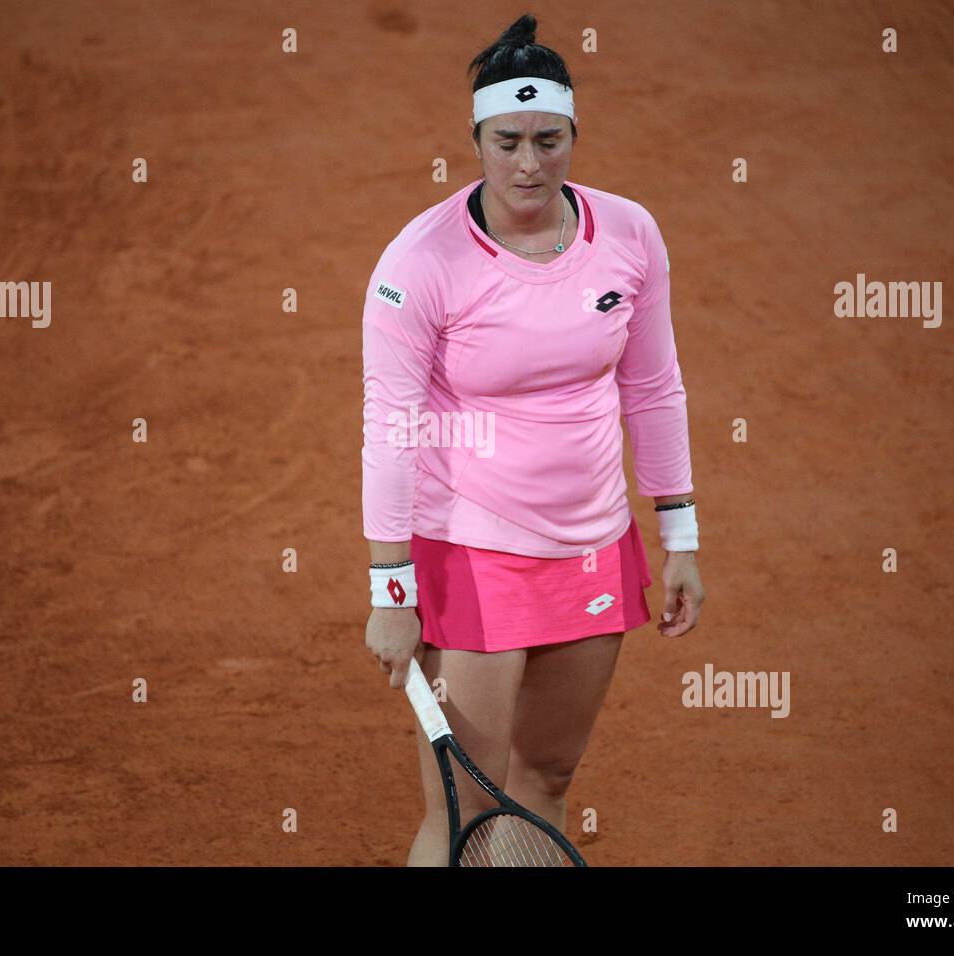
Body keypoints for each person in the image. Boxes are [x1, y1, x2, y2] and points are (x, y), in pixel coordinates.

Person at [361, 13, 705, 866]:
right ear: (475, 139)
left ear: (573, 134)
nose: (529, 163)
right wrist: (393, 593)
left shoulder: (629, 233)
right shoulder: (421, 264)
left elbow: (654, 387)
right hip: (472, 551)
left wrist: (679, 535)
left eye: (549, 139)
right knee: (463, 809)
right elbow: (391, 428)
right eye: (507, 139)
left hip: (593, 542)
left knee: (545, 783)